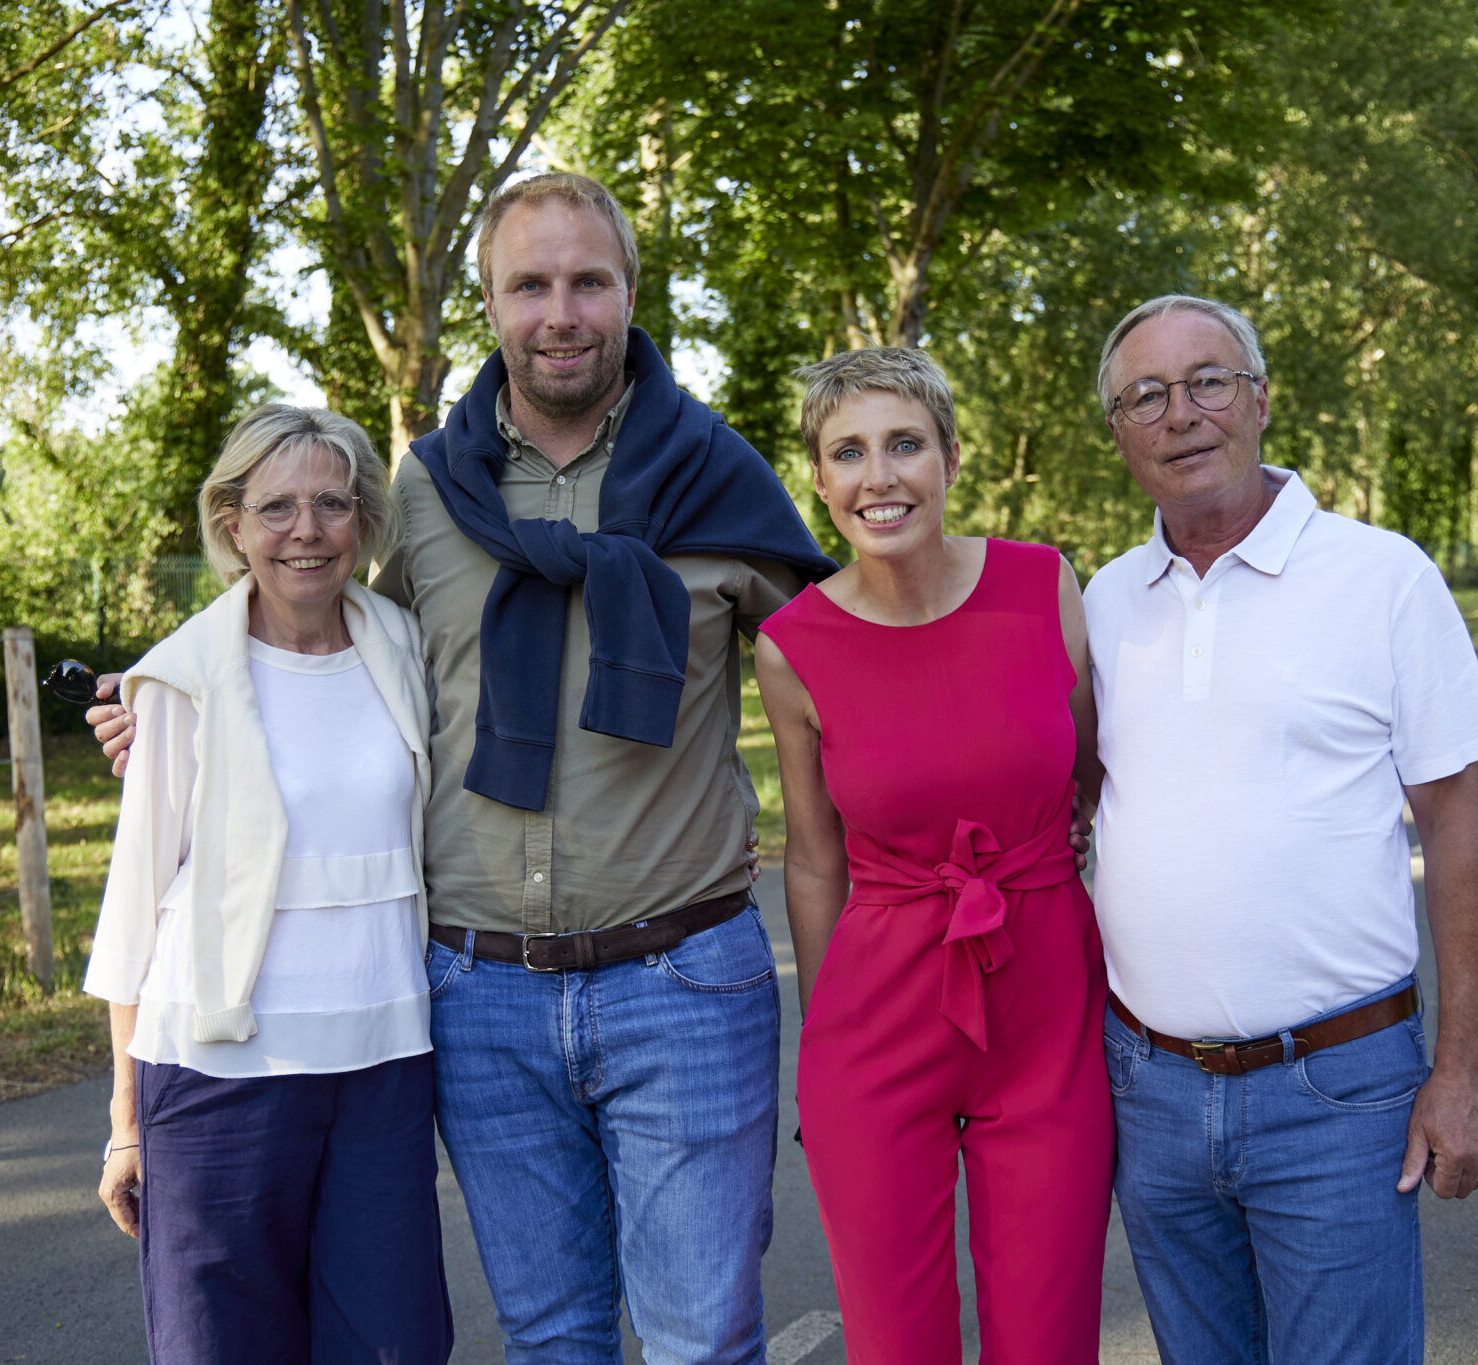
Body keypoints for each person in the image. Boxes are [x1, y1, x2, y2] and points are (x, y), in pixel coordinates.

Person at [91, 172, 835, 1364]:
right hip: (478, 996)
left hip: (683, 980)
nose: (560, 312)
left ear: (629, 294)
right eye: (529, 284)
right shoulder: (431, 491)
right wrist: (171, 698)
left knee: (703, 1338)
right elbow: (317, 631)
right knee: (548, 1338)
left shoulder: (717, 476)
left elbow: (855, 664)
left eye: (587, 281)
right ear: (489, 304)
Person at [1084, 294, 1478, 1363]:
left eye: (1207, 381)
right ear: (1119, 434)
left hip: (1337, 1090)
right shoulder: (1099, 600)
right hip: (1149, 1092)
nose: (1179, 414)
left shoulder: (1383, 578)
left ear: (1261, 399)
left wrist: (1460, 1074)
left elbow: (1457, 833)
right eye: (1145, 395)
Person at [755, 348, 1114, 1364]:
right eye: (848, 453)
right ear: (819, 482)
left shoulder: (1042, 584)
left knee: (1046, 1337)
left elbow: (1091, 773)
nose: (880, 477)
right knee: (894, 1344)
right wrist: (820, 1041)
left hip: (1044, 1016)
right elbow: (816, 861)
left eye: (904, 444)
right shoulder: (792, 645)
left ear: (950, 458)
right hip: (877, 1025)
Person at [81, 405, 449, 1365]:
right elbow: (132, 912)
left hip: (383, 1063)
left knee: (393, 1343)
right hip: (217, 1074)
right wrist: (125, 1125)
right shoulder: (179, 681)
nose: (306, 530)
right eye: (276, 506)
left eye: (332, 502)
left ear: (364, 518)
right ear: (233, 523)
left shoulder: (403, 649)